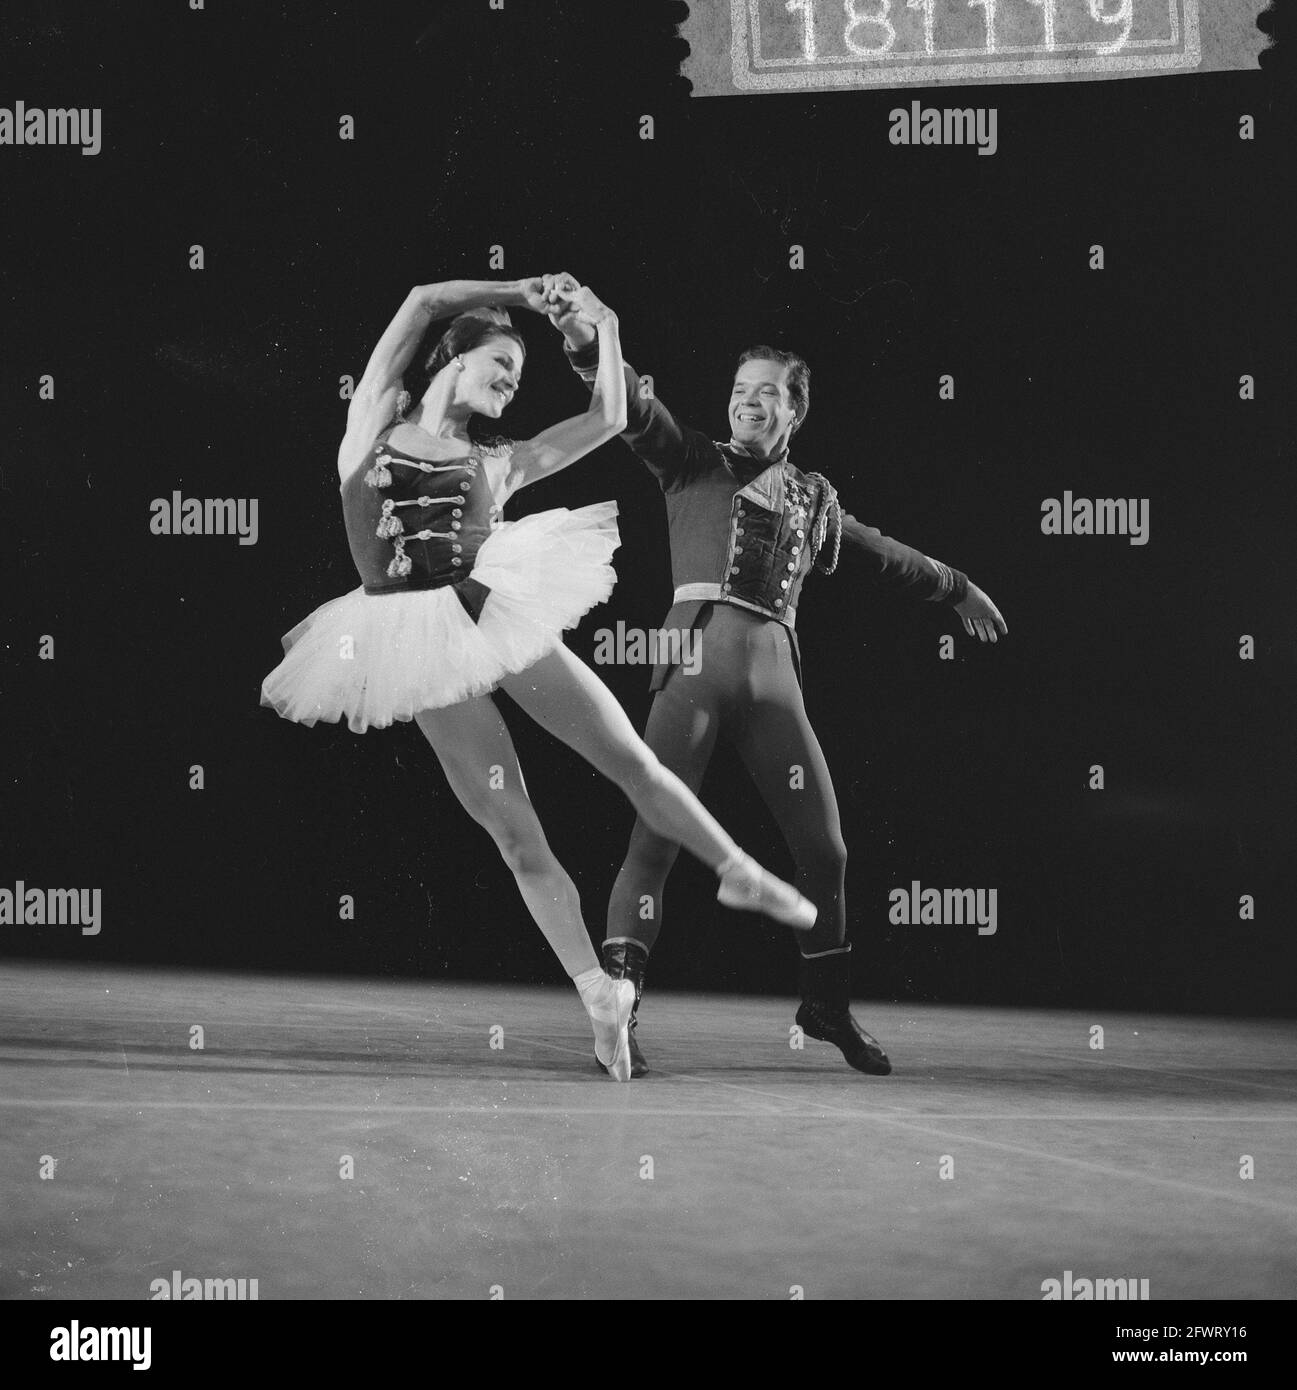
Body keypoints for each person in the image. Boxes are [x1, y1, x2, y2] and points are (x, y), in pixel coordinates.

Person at [261, 274, 818, 1082]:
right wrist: (522, 292)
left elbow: (611, 417)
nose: (512, 382)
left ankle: (738, 871)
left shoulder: (501, 462)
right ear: (453, 361)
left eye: (520, 373)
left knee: (631, 761)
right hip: (408, 639)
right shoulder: (371, 421)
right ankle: (598, 995)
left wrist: (605, 324)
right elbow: (420, 301)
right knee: (516, 835)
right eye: (502, 365)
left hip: (493, 609)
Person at [547, 277, 1007, 1077]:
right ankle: (617, 1013)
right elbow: (631, 407)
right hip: (692, 669)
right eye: (738, 391)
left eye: (766, 394)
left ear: (795, 410)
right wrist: (586, 340)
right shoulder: (690, 460)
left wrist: (958, 584)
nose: (747, 404)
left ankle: (824, 1006)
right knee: (654, 841)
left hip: (772, 685)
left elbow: (879, 551)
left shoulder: (813, 498)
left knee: (824, 850)